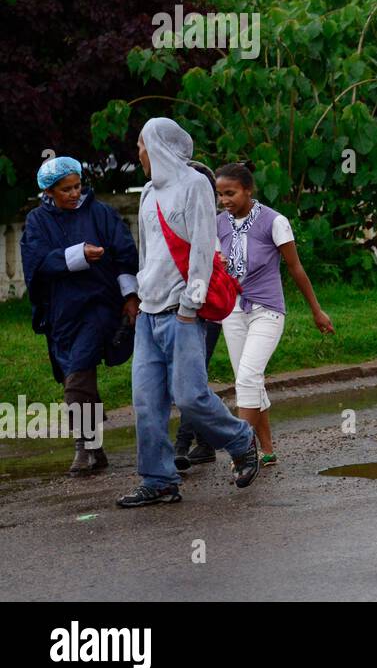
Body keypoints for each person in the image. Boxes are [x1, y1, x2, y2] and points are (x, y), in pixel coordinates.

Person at [117, 118, 260, 508]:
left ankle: (242, 440)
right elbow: (147, 253)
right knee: (146, 402)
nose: (140, 152)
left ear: (159, 146)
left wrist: (190, 305)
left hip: (183, 311)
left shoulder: (195, 185)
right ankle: (159, 479)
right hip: (149, 313)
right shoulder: (147, 192)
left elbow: (202, 247)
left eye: (143, 144)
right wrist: (142, 297)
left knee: (190, 396)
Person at [20, 157, 140, 476]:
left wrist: (130, 296)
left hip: (99, 304)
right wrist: (77, 255)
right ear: (49, 191)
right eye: (65, 189)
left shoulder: (101, 213)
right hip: (60, 311)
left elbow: (125, 253)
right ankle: (96, 447)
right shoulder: (36, 221)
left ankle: (81, 446)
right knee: (75, 373)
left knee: (77, 373)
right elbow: (37, 262)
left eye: (77, 186)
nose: (74, 193)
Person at [214, 161, 334, 466]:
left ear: (248, 190)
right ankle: (266, 449)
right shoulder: (218, 224)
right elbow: (216, 265)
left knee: (247, 379)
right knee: (250, 381)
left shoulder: (274, 221)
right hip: (232, 311)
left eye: (231, 193)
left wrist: (316, 311)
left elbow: (295, 268)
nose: (225, 200)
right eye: (220, 194)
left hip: (267, 310)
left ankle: (243, 450)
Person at [173, 160, 222, 471]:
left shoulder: (217, 226)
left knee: (190, 380)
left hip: (208, 313)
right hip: (178, 311)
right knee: (192, 380)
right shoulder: (174, 223)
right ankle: (205, 442)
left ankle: (181, 444)